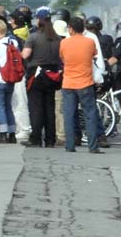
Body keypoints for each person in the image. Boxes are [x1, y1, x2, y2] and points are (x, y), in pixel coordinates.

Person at [59, 17, 102, 153]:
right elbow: (94, 55)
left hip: (68, 83)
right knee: (90, 114)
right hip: (85, 83)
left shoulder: (64, 43)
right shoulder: (90, 42)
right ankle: (93, 146)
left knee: (69, 114)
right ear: (83, 28)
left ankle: (70, 146)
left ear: (70, 29)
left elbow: (63, 58)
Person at [21, 10, 61, 147]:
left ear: (39, 20)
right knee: (50, 107)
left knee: (36, 107)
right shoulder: (58, 39)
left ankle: (36, 138)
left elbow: (25, 55)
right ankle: (50, 139)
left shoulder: (33, 37)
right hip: (53, 76)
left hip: (36, 75)